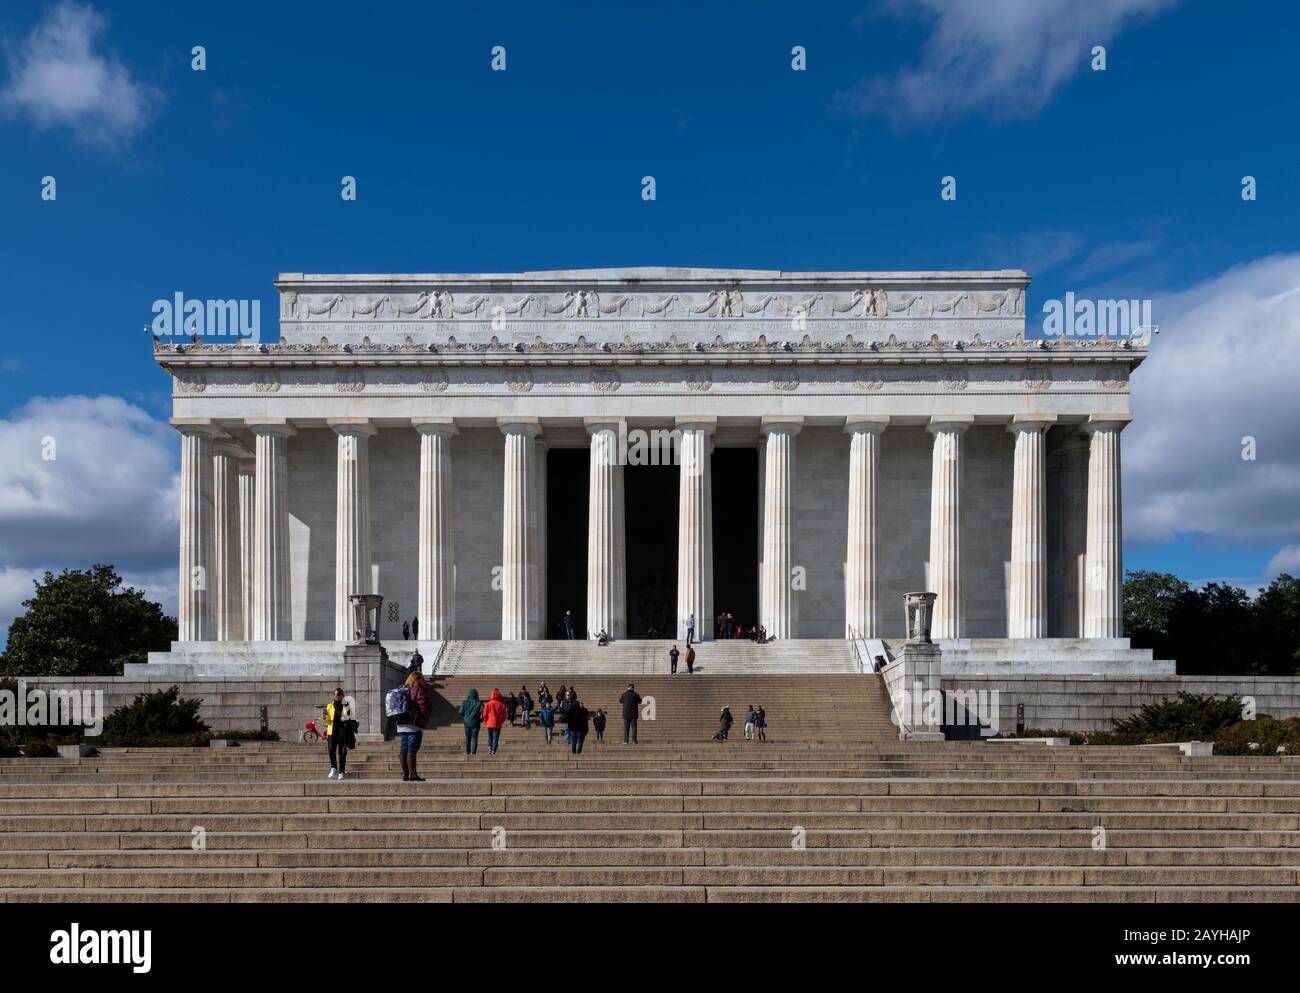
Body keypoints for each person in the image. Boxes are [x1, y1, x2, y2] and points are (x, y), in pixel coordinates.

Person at [397, 671, 431, 781]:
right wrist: (425, 718)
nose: (423, 681)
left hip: (401, 724)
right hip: (414, 724)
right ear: (418, 679)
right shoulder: (419, 690)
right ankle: (413, 774)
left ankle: (405, 774)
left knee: (403, 749)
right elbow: (424, 706)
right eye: (422, 679)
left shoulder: (403, 689)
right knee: (412, 749)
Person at [324, 687, 352, 781]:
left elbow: (349, 718)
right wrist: (324, 716)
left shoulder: (346, 705)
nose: (337, 697)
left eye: (339, 695)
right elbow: (326, 720)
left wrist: (346, 718)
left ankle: (341, 772)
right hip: (332, 731)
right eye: (336, 695)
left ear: (342, 696)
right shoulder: (329, 706)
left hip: (343, 731)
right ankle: (334, 768)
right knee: (331, 750)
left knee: (342, 753)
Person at [458, 688, 483, 755]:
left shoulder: (465, 702)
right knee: (474, 737)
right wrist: (481, 718)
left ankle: (468, 752)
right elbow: (483, 711)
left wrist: (465, 716)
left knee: (468, 738)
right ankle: (473, 752)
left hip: (467, 723)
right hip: (476, 723)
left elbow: (460, 712)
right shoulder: (479, 703)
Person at [482, 688, 507, 755]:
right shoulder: (501, 705)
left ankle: (489, 748)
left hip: (489, 723)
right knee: (495, 738)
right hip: (497, 724)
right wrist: (501, 721)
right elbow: (504, 715)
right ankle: (493, 750)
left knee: (490, 736)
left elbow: (484, 715)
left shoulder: (487, 704)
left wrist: (486, 721)